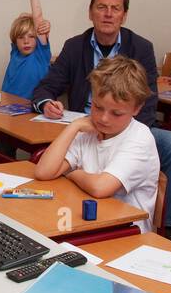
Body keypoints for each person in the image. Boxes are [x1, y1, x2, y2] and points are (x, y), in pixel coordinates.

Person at [31, 0, 171, 243]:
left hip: (134, 125)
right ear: (91, 12)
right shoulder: (75, 46)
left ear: (124, 15)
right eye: (102, 7)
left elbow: (147, 101)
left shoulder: (140, 47)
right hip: (85, 125)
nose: (108, 14)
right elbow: (46, 87)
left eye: (115, 9)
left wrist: (118, 127)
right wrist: (49, 105)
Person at [34, 57, 159, 235]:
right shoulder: (88, 129)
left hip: (125, 233)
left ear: (137, 109)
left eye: (116, 113)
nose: (103, 119)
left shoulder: (140, 138)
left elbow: (101, 188)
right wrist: (74, 127)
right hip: (85, 221)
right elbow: (44, 172)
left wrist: (72, 173)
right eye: (98, 107)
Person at [1, 0, 53, 98]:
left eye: (31, 36)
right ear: (15, 41)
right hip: (7, 108)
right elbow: (23, 21)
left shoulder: (40, 55)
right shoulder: (15, 53)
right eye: (21, 37)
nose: (26, 41)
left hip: (31, 110)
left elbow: (38, 17)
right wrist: (27, 18)